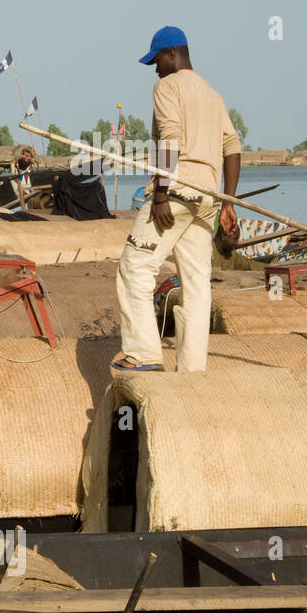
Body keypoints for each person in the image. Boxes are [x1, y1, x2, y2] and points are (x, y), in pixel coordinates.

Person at [114, 26, 240, 373]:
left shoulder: (166, 86)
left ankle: (143, 355)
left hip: (177, 190)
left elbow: (170, 137)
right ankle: (192, 369)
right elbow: (233, 147)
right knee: (197, 285)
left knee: (134, 269)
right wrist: (228, 203)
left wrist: (161, 194)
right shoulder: (212, 94)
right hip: (207, 199)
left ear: (172, 54)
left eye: (156, 61)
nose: (154, 69)